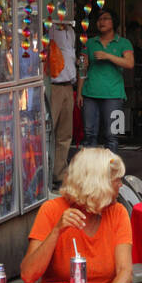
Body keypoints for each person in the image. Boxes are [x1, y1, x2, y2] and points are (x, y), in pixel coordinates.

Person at [20, 148, 132, 283]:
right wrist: (56, 231)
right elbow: (28, 275)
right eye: (117, 180)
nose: (121, 185)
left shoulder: (118, 212)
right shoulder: (51, 210)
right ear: (99, 184)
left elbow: (125, 272)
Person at [78, 9, 134, 151]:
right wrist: (79, 93)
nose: (101, 22)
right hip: (90, 94)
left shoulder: (124, 43)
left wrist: (107, 56)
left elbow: (129, 63)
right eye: (99, 19)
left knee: (113, 136)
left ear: (114, 23)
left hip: (114, 95)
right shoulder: (89, 43)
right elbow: (82, 69)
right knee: (89, 134)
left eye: (105, 19)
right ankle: (90, 171)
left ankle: (113, 172)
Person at [48, 18, 77, 189]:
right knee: (49, 131)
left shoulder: (71, 31)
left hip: (67, 85)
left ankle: (59, 174)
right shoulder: (51, 28)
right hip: (53, 85)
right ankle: (47, 173)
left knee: (65, 134)